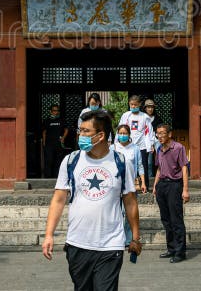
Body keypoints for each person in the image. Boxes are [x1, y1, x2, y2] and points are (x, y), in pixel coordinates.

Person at [43, 110, 142, 291]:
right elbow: (58, 200)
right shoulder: (70, 160)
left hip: (110, 245)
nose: (80, 135)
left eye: (85, 131)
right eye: (80, 130)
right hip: (77, 244)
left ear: (101, 135)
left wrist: (135, 237)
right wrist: (49, 234)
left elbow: (130, 200)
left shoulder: (121, 162)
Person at [152, 123, 189, 263]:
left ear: (169, 134)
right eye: (158, 133)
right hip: (162, 185)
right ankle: (171, 248)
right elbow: (159, 169)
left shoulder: (178, 148)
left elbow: (184, 168)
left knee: (176, 220)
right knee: (166, 219)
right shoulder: (159, 149)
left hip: (174, 185)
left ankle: (180, 252)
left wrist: (185, 189)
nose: (160, 136)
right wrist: (155, 186)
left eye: (162, 133)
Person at [114, 124, 146, 246]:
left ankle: (128, 239)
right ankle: (117, 238)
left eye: (125, 133)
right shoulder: (113, 148)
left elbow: (140, 166)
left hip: (131, 185)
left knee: (129, 213)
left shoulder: (135, 148)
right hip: (116, 185)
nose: (122, 136)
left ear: (129, 135)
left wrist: (143, 182)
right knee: (117, 212)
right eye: (120, 133)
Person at [118, 95, 154, 190]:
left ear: (140, 104)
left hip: (142, 145)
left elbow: (149, 131)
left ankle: (144, 185)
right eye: (131, 104)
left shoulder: (145, 116)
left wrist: (151, 144)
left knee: (143, 166)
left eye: (135, 104)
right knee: (127, 164)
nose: (133, 106)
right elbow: (120, 129)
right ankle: (128, 185)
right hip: (128, 145)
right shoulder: (126, 115)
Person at [42, 105, 68, 178]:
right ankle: (48, 177)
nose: (56, 112)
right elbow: (44, 132)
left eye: (57, 111)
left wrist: (63, 138)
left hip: (58, 144)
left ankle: (57, 176)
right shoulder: (47, 120)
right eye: (54, 110)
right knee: (49, 160)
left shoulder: (61, 120)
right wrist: (44, 143)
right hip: (49, 144)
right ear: (51, 111)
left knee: (58, 161)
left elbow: (66, 130)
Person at [143, 99, 160, 180]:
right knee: (149, 161)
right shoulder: (142, 118)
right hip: (147, 141)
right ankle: (150, 177)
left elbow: (161, 129)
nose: (150, 109)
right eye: (148, 107)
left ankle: (161, 175)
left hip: (157, 140)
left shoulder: (157, 119)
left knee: (161, 158)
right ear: (145, 108)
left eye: (152, 107)